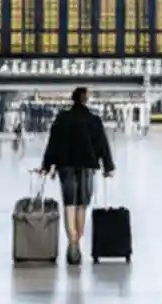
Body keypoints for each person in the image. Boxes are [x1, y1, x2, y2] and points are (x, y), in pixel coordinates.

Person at [39, 87, 115, 265]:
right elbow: (102, 145)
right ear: (85, 100)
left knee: (69, 203)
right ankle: (76, 242)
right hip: (87, 166)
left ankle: (71, 239)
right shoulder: (93, 120)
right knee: (82, 203)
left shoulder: (62, 119)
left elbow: (53, 143)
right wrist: (108, 166)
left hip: (65, 165)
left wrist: (47, 165)